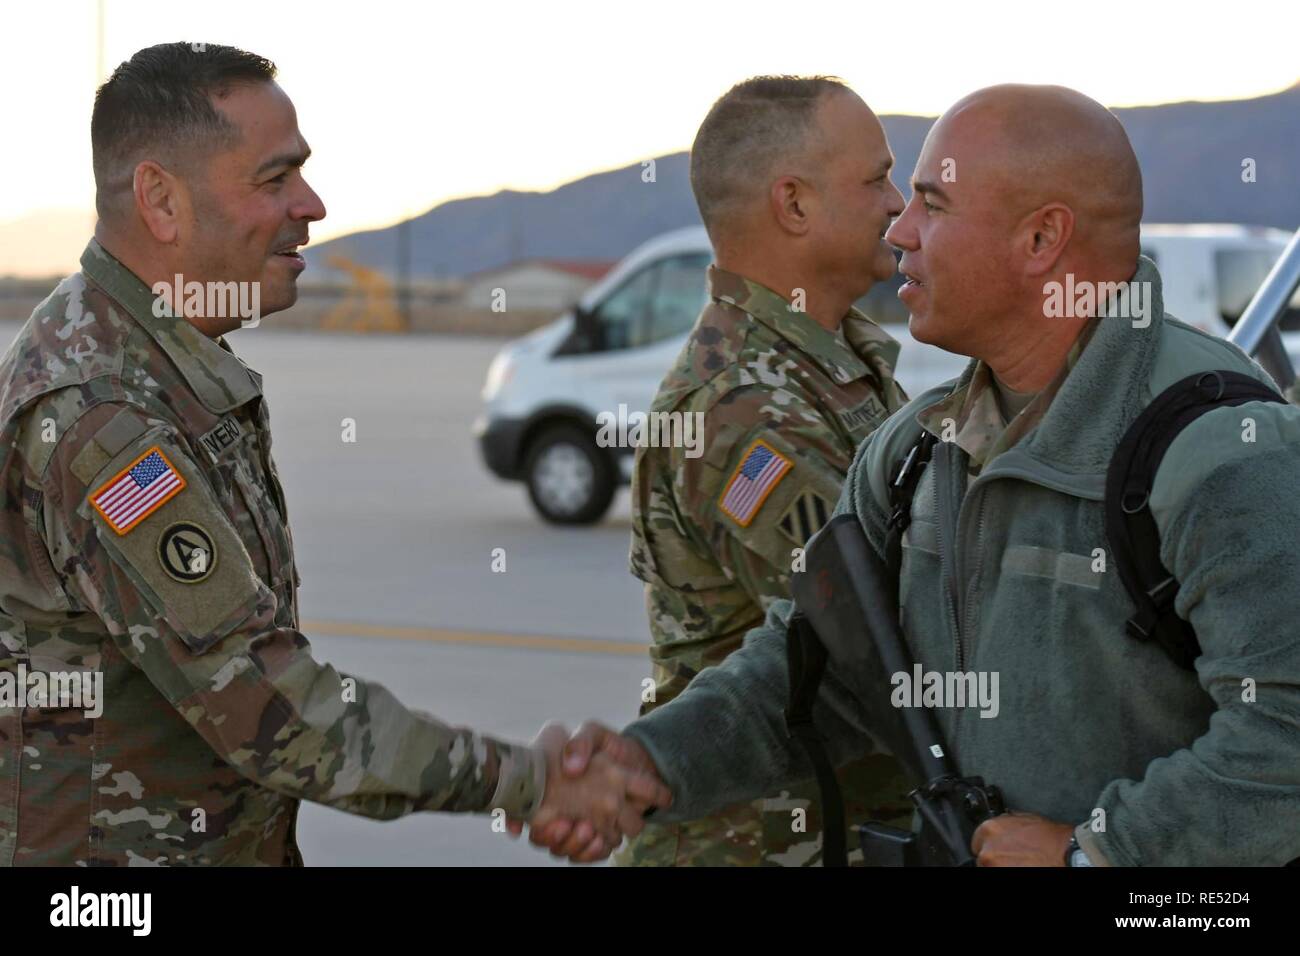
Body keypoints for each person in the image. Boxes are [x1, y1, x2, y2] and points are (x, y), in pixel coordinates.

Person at [533, 84, 1300, 866]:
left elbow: (1286, 730)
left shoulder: (1219, 448)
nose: (899, 228)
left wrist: (1097, 853)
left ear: (1041, 241)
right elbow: (819, 664)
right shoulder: (913, 453)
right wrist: (653, 762)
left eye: (933, 204)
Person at [0, 42, 667, 866]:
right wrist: (528, 782)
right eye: (274, 180)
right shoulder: (103, 414)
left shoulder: (157, 361)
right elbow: (271, 711)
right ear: (161, 200)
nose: (311, 205)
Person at [620, 75, 912, 866]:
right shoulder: (741, 410)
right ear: (795, 205)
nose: (898, 203)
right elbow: (877, 641)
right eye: (876, 178)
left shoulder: (834, 363)